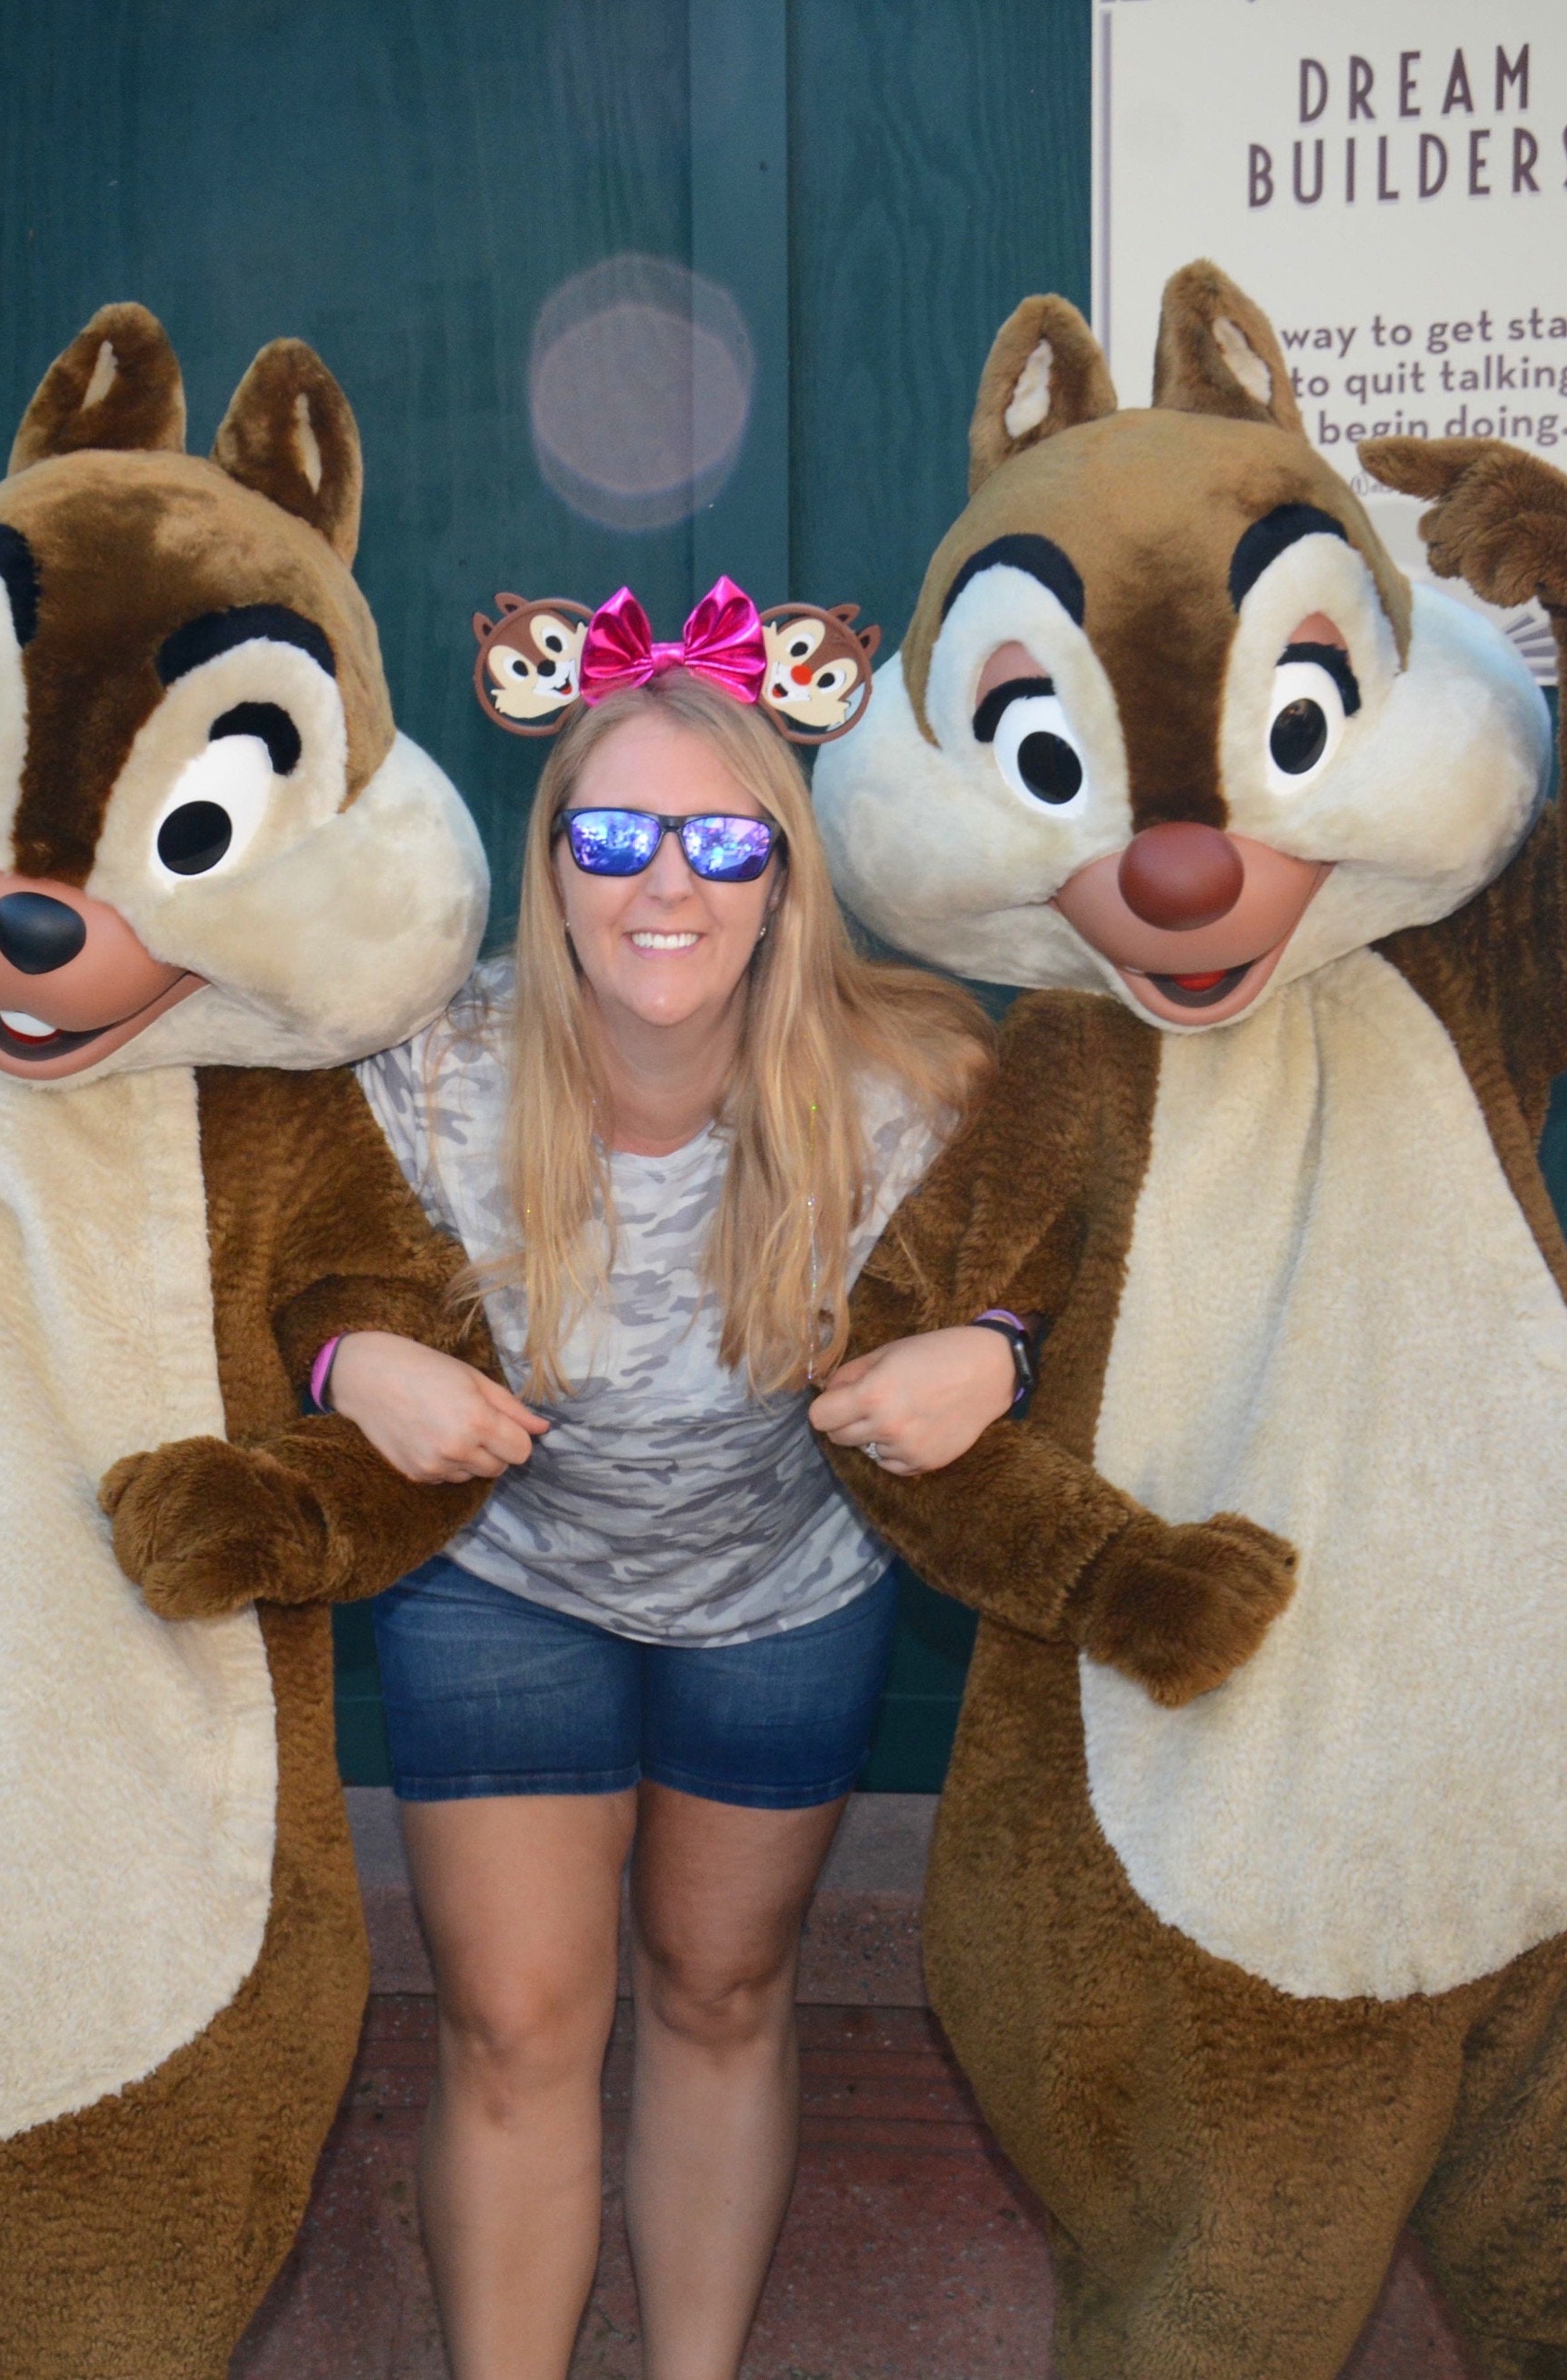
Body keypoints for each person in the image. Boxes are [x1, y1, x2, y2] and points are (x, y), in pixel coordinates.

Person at [321, 590, 1027, 2380]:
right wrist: (349, 1365)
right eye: (616, 835)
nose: (667, 886)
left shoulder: (911, 1082)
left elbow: (1080, 1238)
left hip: (780, 1590)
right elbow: (261, 1251)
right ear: (549, 865)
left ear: (784, 877)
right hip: (502, 1578)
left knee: (718, 1992)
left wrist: (998, 1345)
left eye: (722, 842)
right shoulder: (423, 1069)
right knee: (514, 2022)